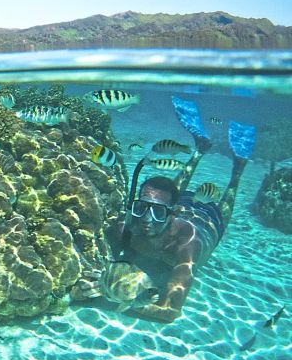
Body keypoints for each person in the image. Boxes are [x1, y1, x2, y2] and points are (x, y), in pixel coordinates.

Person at [106, 98, 254, 323]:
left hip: (206, 223)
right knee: (166, 192)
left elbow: (169, 313)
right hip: (177, 206)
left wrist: (117, 301)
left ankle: (238, 169)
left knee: (219, 214)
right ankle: (199, 149)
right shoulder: (126, 227)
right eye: (141, 208)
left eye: (156, 212)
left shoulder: (186, 246)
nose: (146, 219)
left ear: (172, 212)